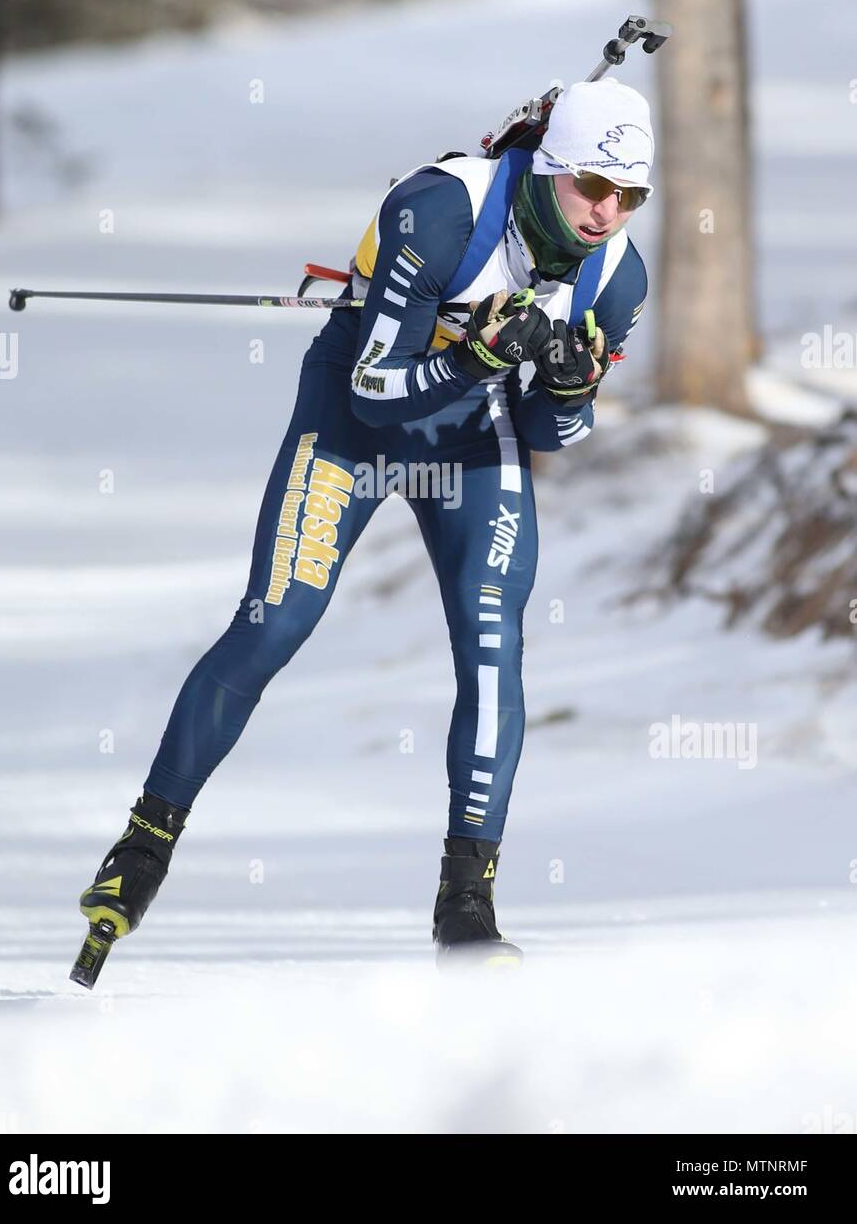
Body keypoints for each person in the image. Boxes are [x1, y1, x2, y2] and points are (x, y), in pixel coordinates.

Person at [78, 77, 652, 968]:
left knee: (492, 636)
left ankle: (467, 900)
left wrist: (570, 386)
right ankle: (143, 846)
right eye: (592, 186)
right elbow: (375, 394)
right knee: (276, 623)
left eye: (631, 196)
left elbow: (552, 432)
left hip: (471, 437)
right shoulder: (437, 212)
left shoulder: (619, 278)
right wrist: (476, 355)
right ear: (545, 168)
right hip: (354, 419)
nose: (607, 212)